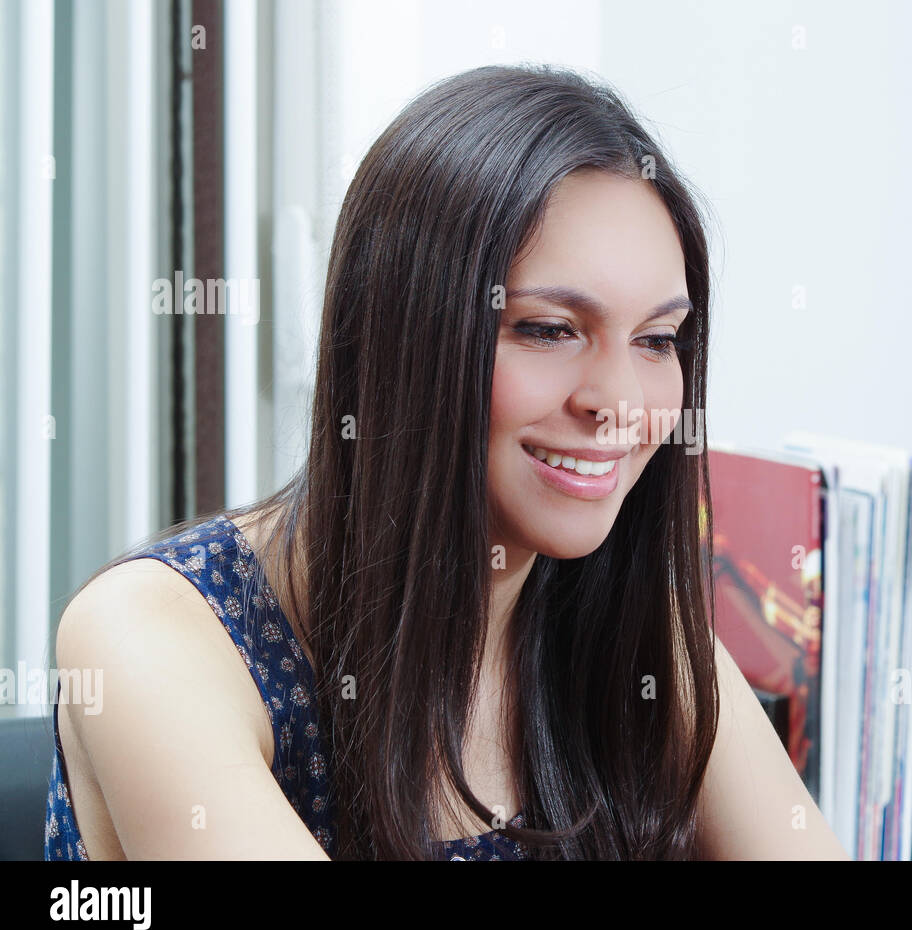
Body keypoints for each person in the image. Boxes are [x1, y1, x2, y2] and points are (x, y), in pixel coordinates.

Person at [45, 63, 849, 860]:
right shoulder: (154, 632)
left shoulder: (641, 635)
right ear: (404, 335)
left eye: (655, 340)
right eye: (548, 329)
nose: (621, 401)